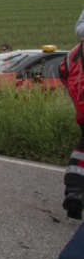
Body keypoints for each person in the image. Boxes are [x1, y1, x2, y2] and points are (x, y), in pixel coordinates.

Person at [59, 41, 84, 219]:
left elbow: (63, 73)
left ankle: (74, 191)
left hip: (82, 108)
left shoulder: (73, 53)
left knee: (82, 150)